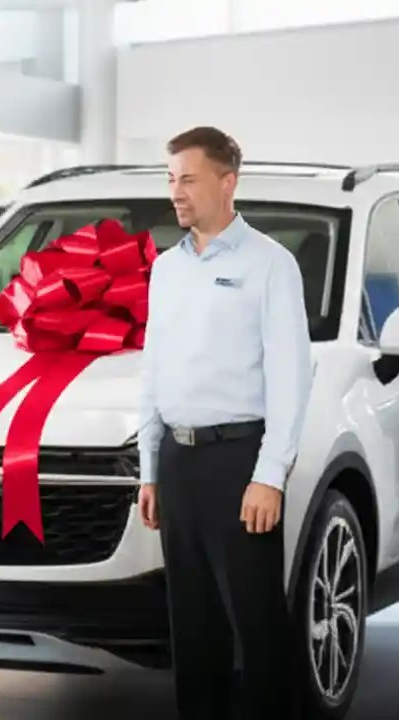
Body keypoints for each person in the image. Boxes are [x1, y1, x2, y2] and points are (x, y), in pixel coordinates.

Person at [136, 127, 313, 720]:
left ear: (227, 181)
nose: (176, 191)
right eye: (170, 178)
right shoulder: (166, 268)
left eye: (187, 178)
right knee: (192, 629)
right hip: (180, 465)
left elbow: (292, 376)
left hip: (241, 461)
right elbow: (153, 371)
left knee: (258, 626)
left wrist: (271, 476)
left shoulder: (270, 264)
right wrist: (151, 468)